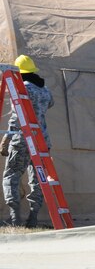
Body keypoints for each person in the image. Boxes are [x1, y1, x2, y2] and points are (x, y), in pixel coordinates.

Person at [1, 55, 54, 228]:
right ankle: (33, 218)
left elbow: (17, 117)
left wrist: (6, 139)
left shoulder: (23, 89)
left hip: (22, 140)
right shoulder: (45, 90)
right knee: (38, 178)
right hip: (42, 141)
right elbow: (50, 104)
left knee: (11, 175)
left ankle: (15, 219)